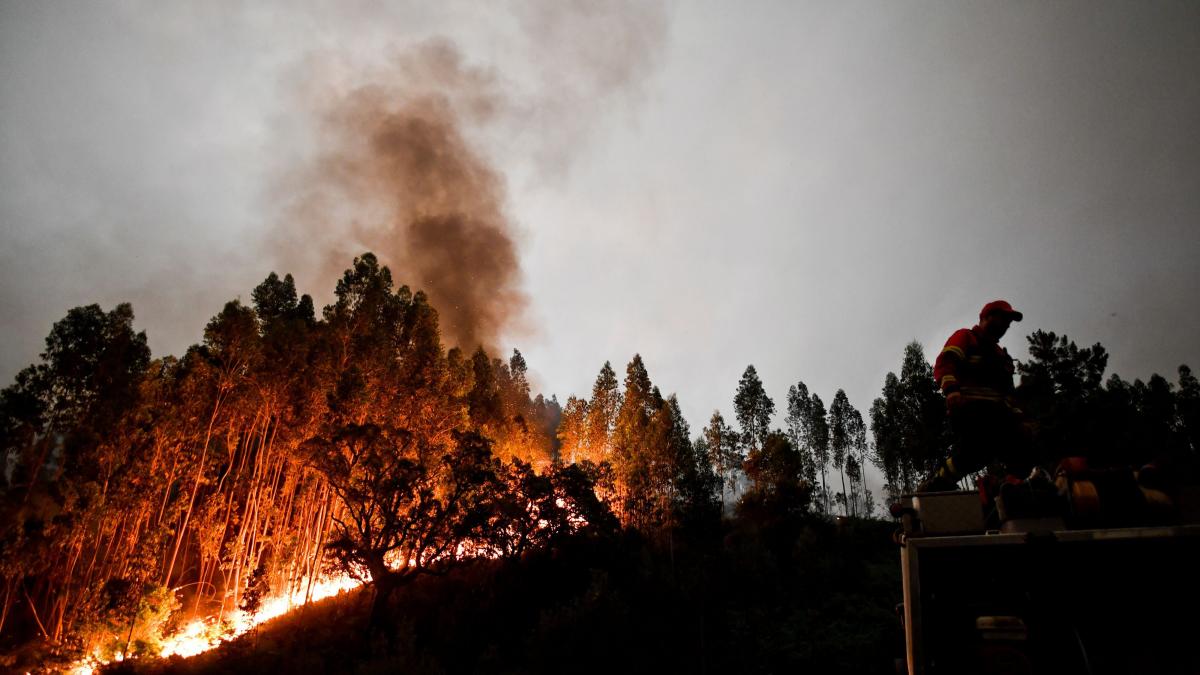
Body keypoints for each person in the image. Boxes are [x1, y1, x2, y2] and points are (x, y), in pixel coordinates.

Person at [919, 300, 1032, 493]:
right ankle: (938, 483)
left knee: (1024, 446)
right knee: (978, 449)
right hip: (970, 410)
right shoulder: (966, 337)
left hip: (1000, 414)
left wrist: (1020, 418)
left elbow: (1008, 394)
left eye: (1009, 321)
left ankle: (1013, 490)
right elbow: (946, 363)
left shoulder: (1001, 356)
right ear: (987, 317)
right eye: (1003, 318)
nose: (1007, 324)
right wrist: (951, 390)